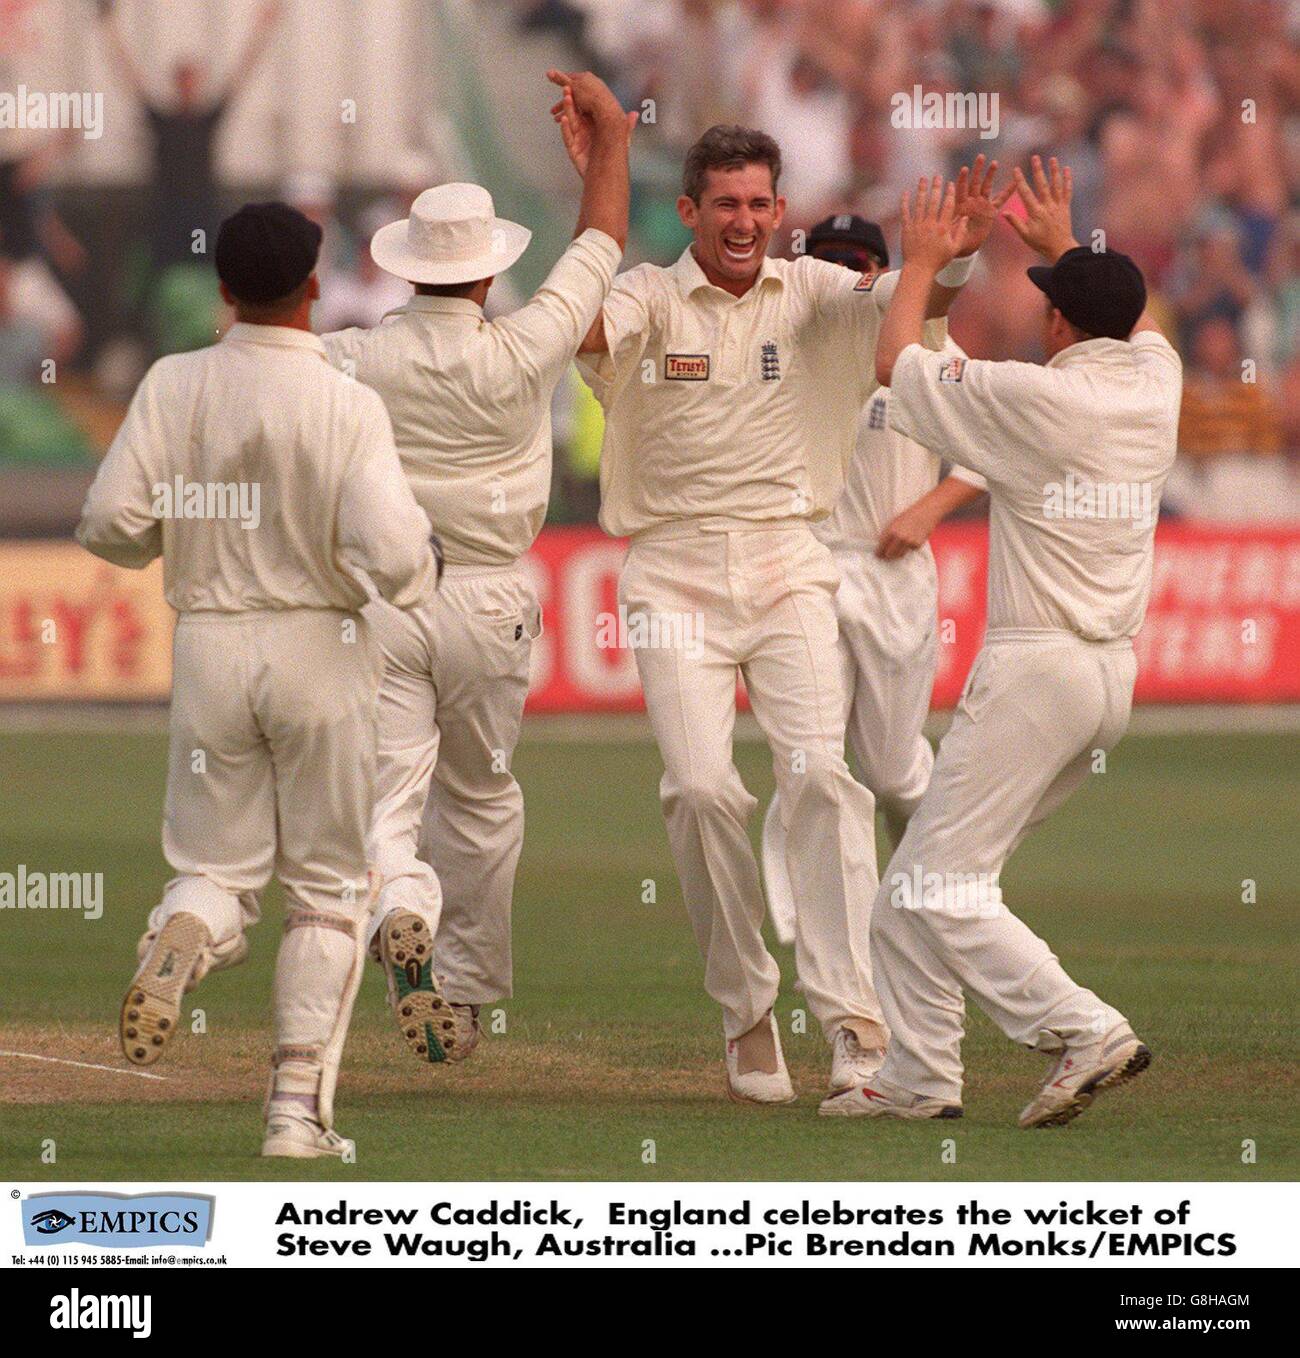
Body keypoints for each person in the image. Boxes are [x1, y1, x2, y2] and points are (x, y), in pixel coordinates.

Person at [564, 103, 1005, 1105]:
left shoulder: (812, 292)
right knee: (701, 791)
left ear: (779, 209)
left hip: (789, 561)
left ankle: (854, 1016)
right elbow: (581, 323)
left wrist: (957, 257)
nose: (744, 218)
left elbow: (905, 299)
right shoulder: (646, 297)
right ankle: (745, 1008)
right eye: (724, 201)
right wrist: (603, 173)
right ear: (688, 209)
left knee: (821, 775)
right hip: (669, 569)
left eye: (761, 201)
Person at [76, 202, 439, 1158]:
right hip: (322, 649)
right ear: (315, 287)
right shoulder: (346, 402)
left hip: (209, 646)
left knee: (212, 869)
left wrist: (180, 536)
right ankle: (292, 1114)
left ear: (224, 291)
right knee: (325, 891)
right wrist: (415, 569)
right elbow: (398, 555)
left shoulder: (173, 382)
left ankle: (184, 930)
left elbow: (109, 520)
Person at [825, 158, 1178, 1127]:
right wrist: (1064, 242)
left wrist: (924, 261)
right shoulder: (1158, 380)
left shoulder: (1039, 397)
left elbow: (891, 361)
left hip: (1036, 668)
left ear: (1060, 324)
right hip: (1108, 676)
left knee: (937, 880)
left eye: (1050, 303)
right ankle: (918, 1078)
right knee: (922, 883)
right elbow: (1129, 316)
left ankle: (1081, 1027)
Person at [320, 71, 630, 1065]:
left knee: (388, 798)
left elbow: (272, 372)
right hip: (495, 596)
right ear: (488, 275)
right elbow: (601, 246)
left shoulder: (361, 356)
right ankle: (466, 991)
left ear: (409, 271)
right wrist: (609, 144)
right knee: (484, 794)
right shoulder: (527, 341)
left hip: (394, 595)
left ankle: (393, 913)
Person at [759, 213, 987, 947]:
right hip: (810, 566)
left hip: (892, 573)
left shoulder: (926, 347)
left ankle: (933, 893)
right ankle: (817, 932)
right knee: (812, 755)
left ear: (884, 273)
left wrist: (928, 507)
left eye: (861, 265)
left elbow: (986, 451)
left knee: (891, 772)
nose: (849, 278)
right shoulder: (787, 348)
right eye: (833, 264)